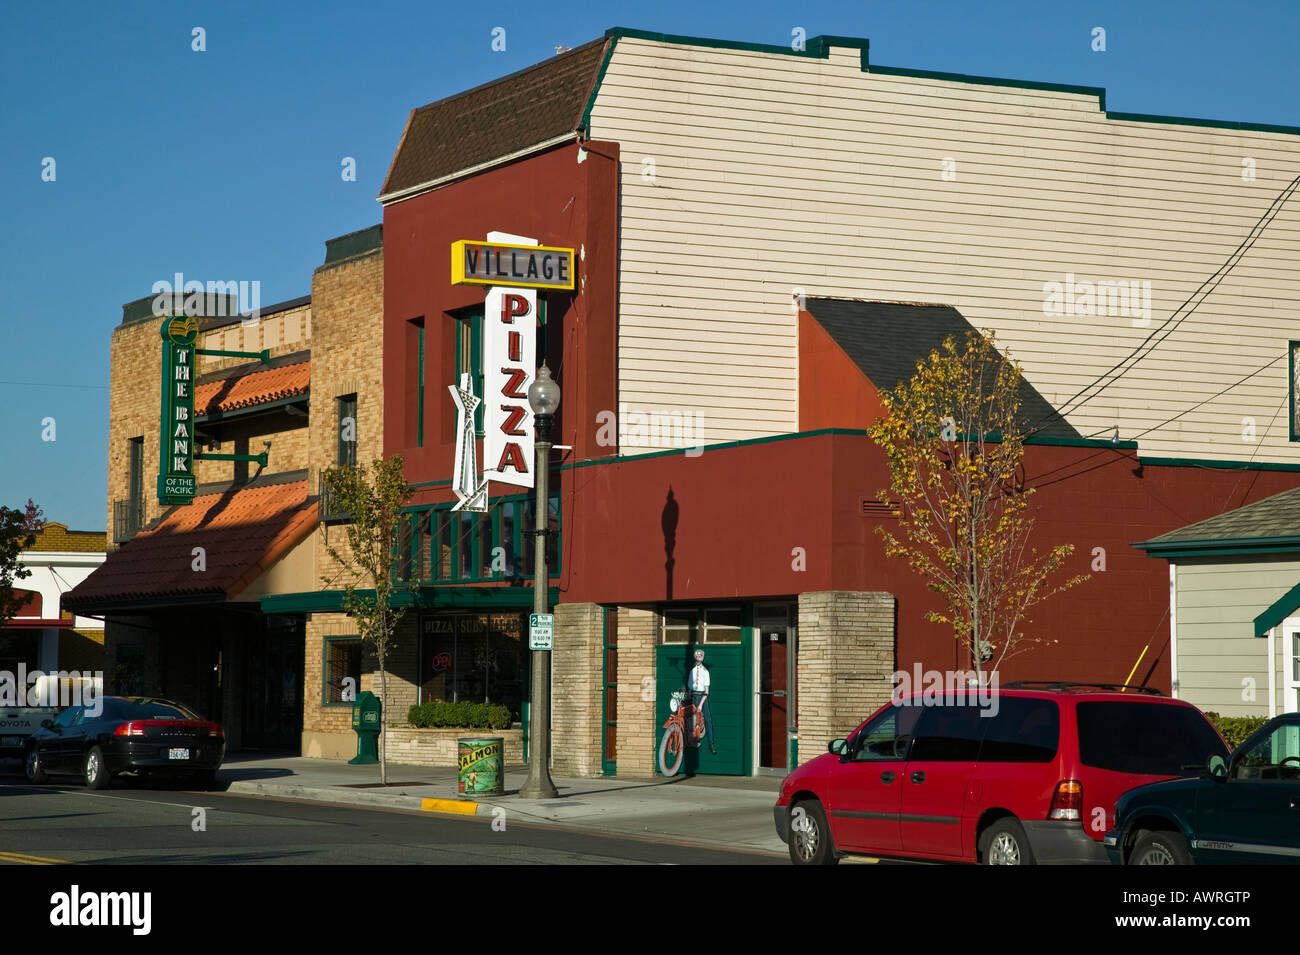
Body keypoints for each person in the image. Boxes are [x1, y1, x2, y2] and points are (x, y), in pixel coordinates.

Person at [688, 648, 716, 755]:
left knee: (707, 719)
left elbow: (706, 691)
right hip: (693, 696)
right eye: (697, 655)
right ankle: (694, 741)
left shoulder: (705, 672)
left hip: (702, 697)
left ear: (703, 657)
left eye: (701, 655)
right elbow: (690, 687)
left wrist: (700, 704)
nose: (698, 656)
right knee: (693, 719)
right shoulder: (692, 671)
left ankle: (711, 743)